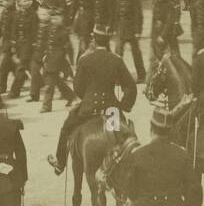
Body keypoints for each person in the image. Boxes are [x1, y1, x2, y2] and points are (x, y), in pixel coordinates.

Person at [48, 26, 138, 175]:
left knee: (65, 129)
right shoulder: (116, 60)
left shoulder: (85, 59)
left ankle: (60, 163)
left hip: (87, 111)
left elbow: (77, 88)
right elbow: (130, 87)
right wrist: (123, 105)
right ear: (108, 41)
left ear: (94, 41)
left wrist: (87, 97)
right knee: (126, 136)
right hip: (111, 111)